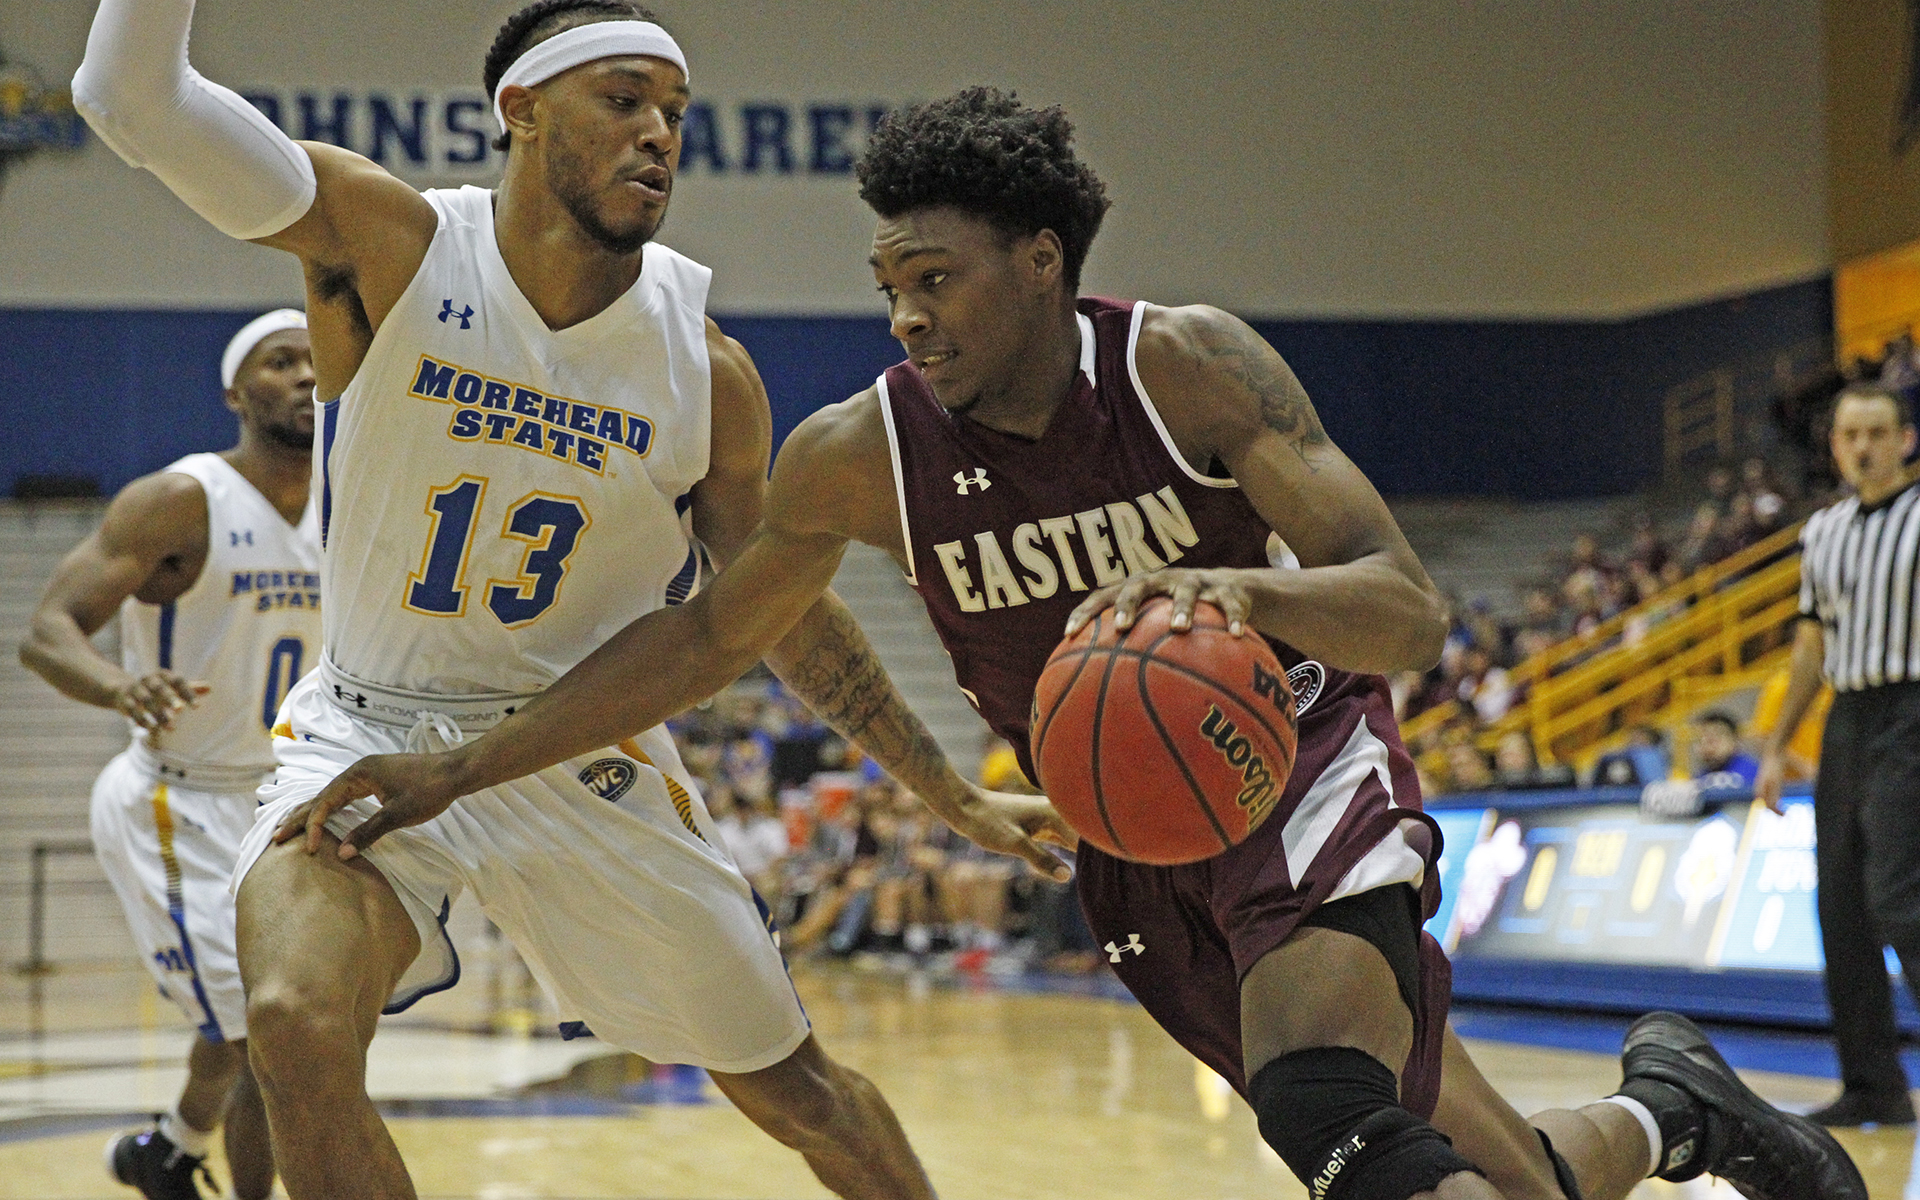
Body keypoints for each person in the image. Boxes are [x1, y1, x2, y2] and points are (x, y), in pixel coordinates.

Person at [289, 89, 1864, 1199]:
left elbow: (1407, 608)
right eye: (888, 286)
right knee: (1489, 1175)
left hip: (1296, 765)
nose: (906, 315)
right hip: (1134, 834)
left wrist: (1237, 597)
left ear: (1042, 260)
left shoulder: (1184, 369)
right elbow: (708, 639)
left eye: (937, 279)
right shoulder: (862, 453)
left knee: (1324, 1109)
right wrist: (462, 767)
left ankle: (1658, 1111)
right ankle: (1675, 1110)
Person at [70, 5, 1068, 1198]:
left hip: (579, 748)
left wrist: (945, 789)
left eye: (675, 113)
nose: (660, 135)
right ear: (524, 109)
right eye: (625, 99)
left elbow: (782, 613)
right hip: (369, 726)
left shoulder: (706, 370)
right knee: (291, 1020)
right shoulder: (390, 243)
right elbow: (130, 99)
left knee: (796, 1093)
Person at [19, 310, 317, 1200]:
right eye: (280, 362)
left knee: (283, 1023)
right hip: (175, 802)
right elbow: (48, 630)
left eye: (316, 360)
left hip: (286, 797)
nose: (306, 376)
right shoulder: (181, 500)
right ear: (235, 393)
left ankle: (172, 1149)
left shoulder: (359, 498)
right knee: (263, 1032)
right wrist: (119, 687)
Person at [1758, 383, 1920, 1128]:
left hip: (1913, 709)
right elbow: (1811, 643)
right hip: (1848, 717)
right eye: (1851, 434)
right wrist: (1776, 745)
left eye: (1877, 432)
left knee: (1898, 894)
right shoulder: (1823, 531)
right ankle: (1873, 1084)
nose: (1864, 446)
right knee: (1841, 903)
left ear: (1905, 440)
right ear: (1833, 447)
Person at [1688, 711, 1759, 790]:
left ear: (1734, 740)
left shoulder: (1753, 772)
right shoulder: (1699, 778)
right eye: (1702, 737)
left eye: (1716, 735)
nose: (1708, 743)